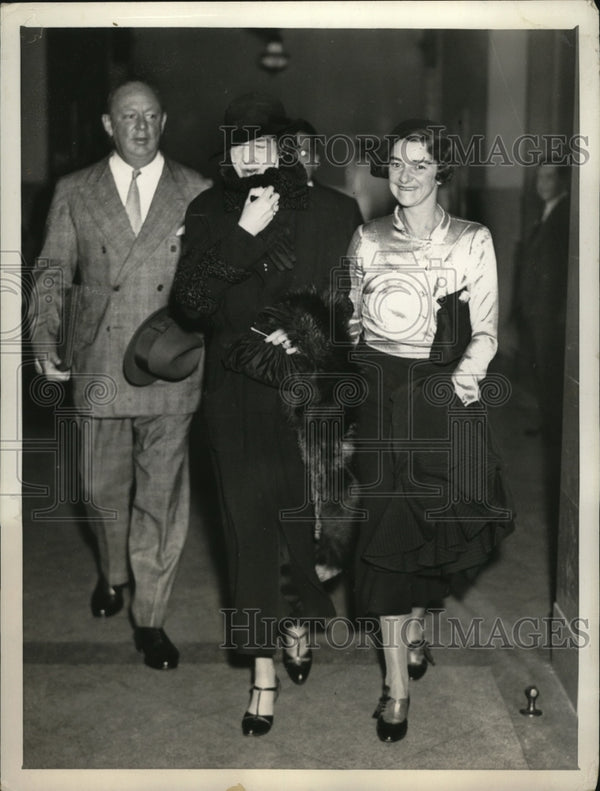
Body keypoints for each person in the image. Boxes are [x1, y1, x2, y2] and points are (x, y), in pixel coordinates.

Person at [171, 93, 360, 736]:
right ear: (224, 150)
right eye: (239, 142)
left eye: (264, 141)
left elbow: (345, 309)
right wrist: (243, 234)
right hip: (234, 396)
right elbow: (193, 303)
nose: (251, 155)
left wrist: (302, 332)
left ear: (284, 146)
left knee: (302, 527)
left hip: (305, 395)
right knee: (246, 531)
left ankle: (300, 621)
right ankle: (262, 674)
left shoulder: (334, 211)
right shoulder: (208, 210)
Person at [31, 80, 211, 670]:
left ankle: (151, 618)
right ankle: (113, 572)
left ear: (165, 120)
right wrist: (41, 337)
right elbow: (54, 270)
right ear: (108, 124)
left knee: (160, 499)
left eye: (151, 116)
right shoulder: (76, 190)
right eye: (128, 116)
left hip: (171, 365)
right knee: (102, 491)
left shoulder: (199, 190)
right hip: (100, 364)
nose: (140, 126)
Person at [347, 119, 515, 742]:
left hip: (444, 399)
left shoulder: (473, 239)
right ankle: (395, 689)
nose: (407, 175)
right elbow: (354, 330)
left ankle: (415, 624)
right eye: (396, 162)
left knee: (435, 532)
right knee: (387, 539)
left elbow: (488, 329)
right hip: (383, 405)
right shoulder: (364, 239)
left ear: (441, 171)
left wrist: (455, 383)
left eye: (421, 164)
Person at [515, 161, 570, 449]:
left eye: (548, 177)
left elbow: (560, 271)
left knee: (550, 375)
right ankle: (548, 425)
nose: (541, 183)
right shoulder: (547, 212)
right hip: (537, 311)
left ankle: (554, 433)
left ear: (562, 181)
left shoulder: (562, 216)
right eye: (539, 177)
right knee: (543, 374)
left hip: (548, 313)